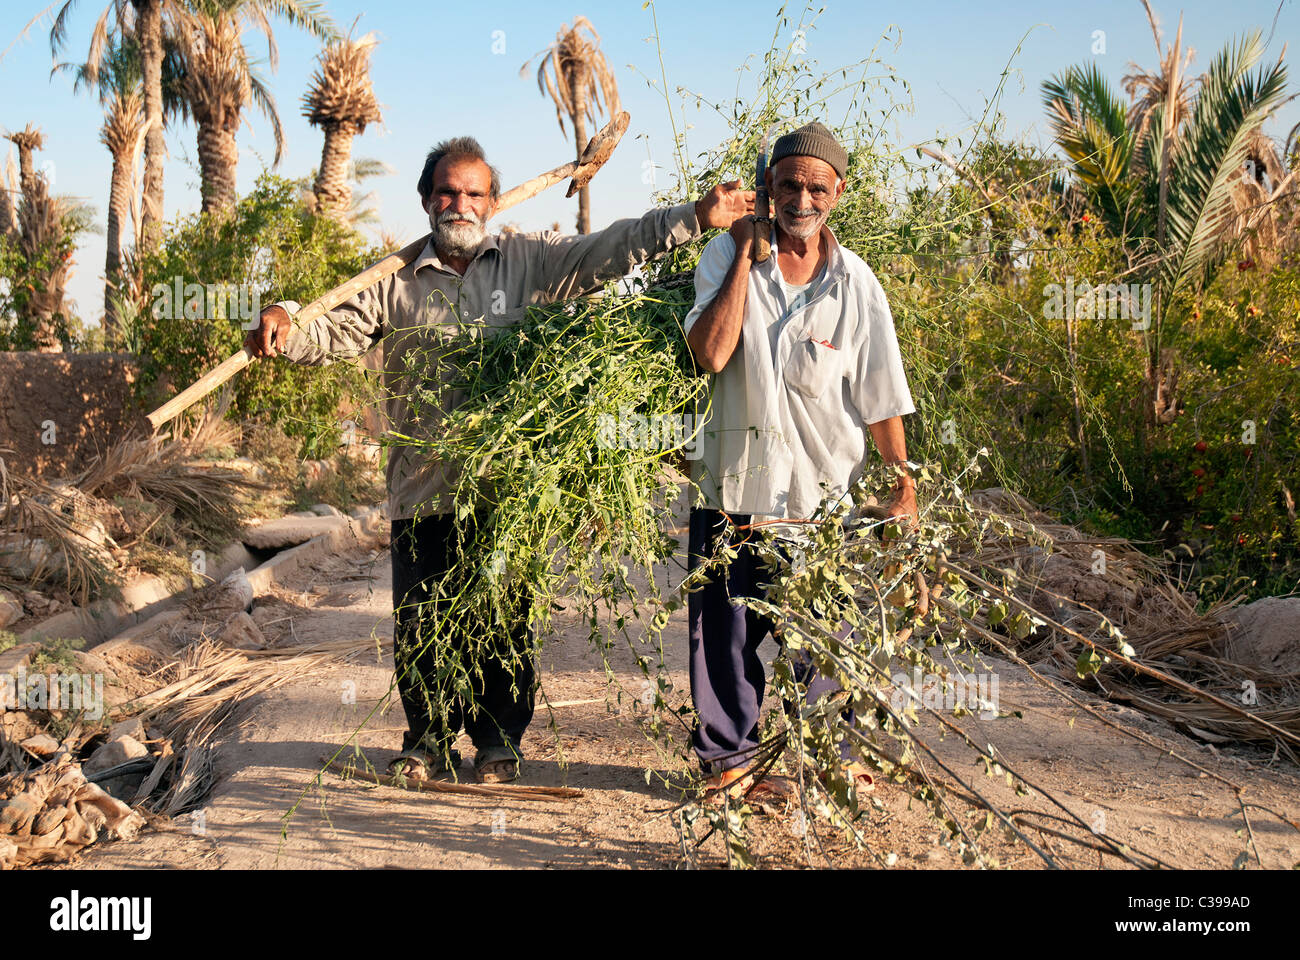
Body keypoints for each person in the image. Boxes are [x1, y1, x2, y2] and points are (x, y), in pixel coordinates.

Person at [246, 135, 753, 783]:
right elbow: (326, 332)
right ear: (428, 200)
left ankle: (498, 744)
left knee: (504, 621)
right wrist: (281, 323)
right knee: (423, 618)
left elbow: (611, 248)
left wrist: (690, 219)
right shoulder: (390, 282)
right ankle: (426, 741)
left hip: (510, 487)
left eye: (473, 193)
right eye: (448, 192)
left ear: (491, 201)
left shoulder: (530, 261)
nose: (459, 203)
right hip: (423, 486)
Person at [682, 121, 918, 795]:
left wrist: (903, 486)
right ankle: (730, 765)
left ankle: (832, 759)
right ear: (767, 189)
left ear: (839, 191)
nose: (803, 199)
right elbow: (711, 354)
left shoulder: (859, 286)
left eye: (817, 186)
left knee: (825, 637)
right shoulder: (725, 260)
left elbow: (881, 396)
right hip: (734, 489)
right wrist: (740, 256)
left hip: (821, 500)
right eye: (789, 185)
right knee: (723, 641)